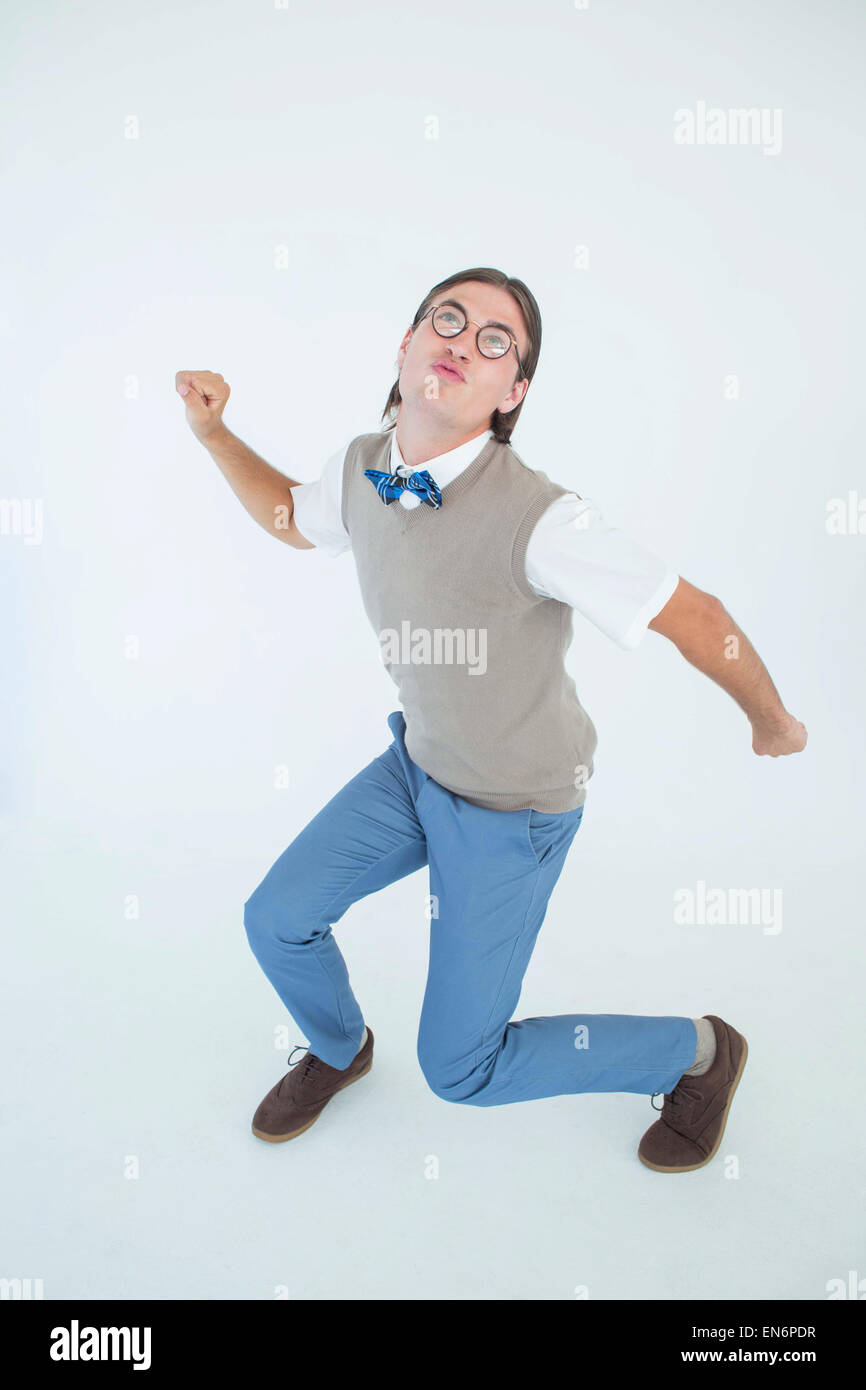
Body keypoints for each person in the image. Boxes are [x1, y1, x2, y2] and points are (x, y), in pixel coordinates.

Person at [175, 266, 807, 1173]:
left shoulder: (546, 521)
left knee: (462, 1069)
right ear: (405, 345)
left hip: (515, 809)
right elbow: (290, 516)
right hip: (419, 767)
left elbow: (696, 615)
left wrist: (771, 717)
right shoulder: (363, 464)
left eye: (495, 340)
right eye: (449, 318)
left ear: (512, 393)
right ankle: (341, 1046)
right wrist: (213, 432)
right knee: (277, 917)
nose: (464, 341)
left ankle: (701, 1052)